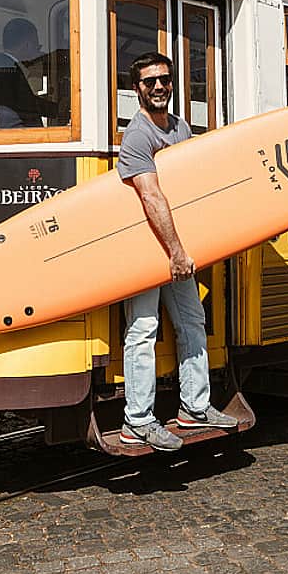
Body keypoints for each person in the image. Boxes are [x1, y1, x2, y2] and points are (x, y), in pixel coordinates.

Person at [115, 51, 238, 451]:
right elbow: (151, 196)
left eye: (164, 79)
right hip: (147, 248)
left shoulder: (180, 128)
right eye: (149, 82)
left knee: (191, 322)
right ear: (137, 89)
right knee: (143, 330)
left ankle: (195, 407)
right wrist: (176, 251)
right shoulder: (138, 135)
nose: (158, 87)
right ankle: (136, 421)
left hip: (175, 248)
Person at [0, 19, 49, 128]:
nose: (38, 51)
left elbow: (21, 103)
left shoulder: (4, 67)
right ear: (27, 45)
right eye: (37, 45)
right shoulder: (6, 71)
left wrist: (54, 108)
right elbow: (9, 121)